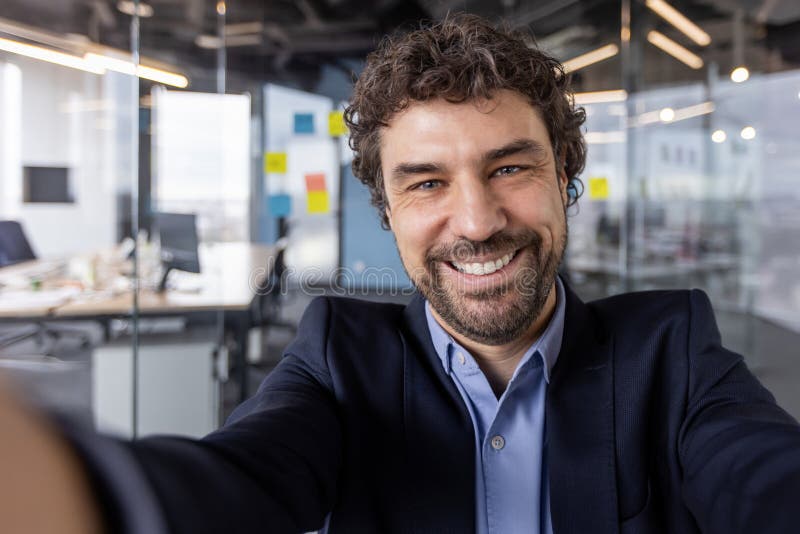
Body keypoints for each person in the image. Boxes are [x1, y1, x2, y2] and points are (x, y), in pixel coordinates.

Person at [2, 13, 800, 534]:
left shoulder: (674, 351)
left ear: (566, 177)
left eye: (511, 167)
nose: (478, 221)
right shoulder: (340, 360)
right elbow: (239, 480)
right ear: (388, 210)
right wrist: (80, 494)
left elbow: (764, 476)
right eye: (426, 182)